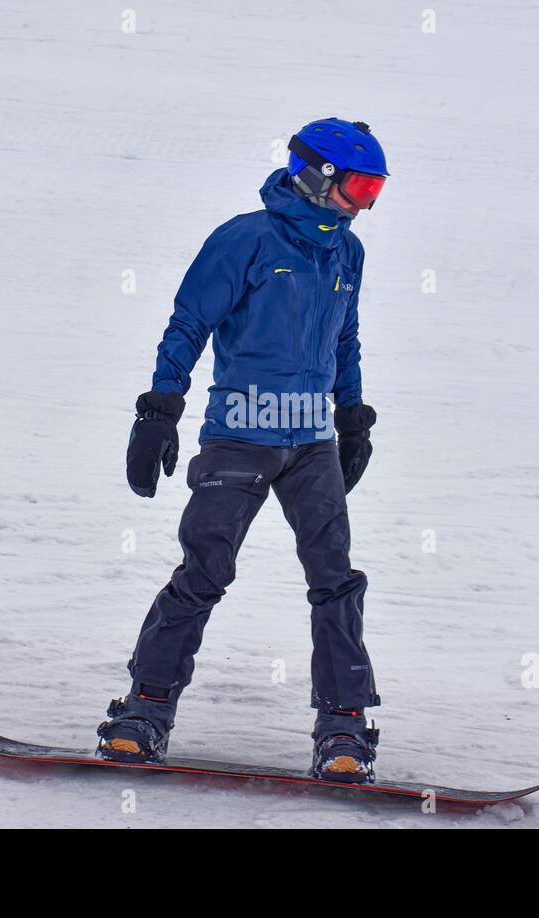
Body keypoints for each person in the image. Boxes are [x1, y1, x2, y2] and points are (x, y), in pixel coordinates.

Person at [98, 118, 389, 783]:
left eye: (375, 191)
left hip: (311, 443)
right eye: (361, 187)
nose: (366, 204)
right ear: (319, 177)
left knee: (336, 580)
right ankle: (142, 713)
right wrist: (159, 409)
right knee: (205, 570)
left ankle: (343, 728)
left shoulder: (347, 254)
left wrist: (352, 420)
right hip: (239, 435)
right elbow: (189, 323)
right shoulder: (245, 241)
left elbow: (345, 341)